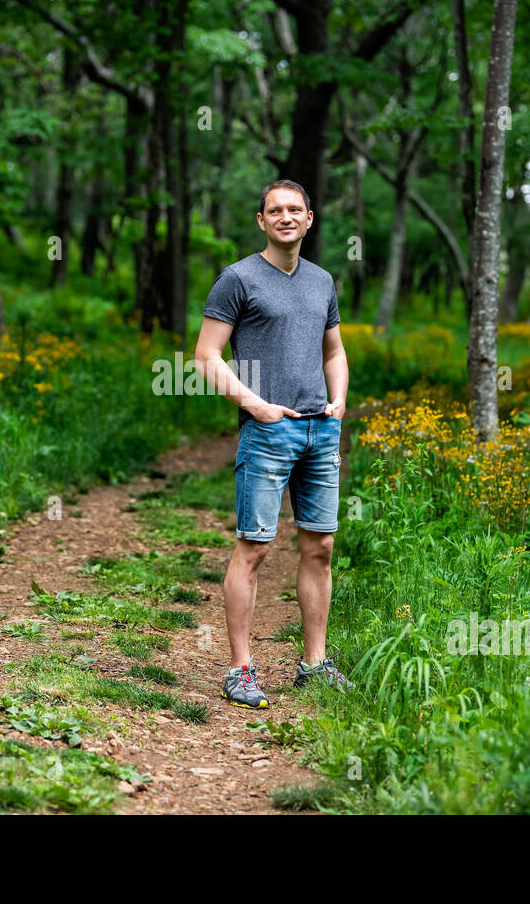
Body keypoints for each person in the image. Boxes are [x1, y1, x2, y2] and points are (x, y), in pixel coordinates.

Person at [193, 179, 354, 709]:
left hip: (319, 429)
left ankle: (314, 665)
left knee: (321, 547)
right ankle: (240, 670)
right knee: (255, 547)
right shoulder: (237, 279)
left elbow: (334, 350)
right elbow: (206, 358)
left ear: (310, 218)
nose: (285, 217)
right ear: (261, 221)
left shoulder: (322, 281)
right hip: (268, 430)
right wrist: (255, 406)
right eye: (274, 210)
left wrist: (339, 402)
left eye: (294, 209)